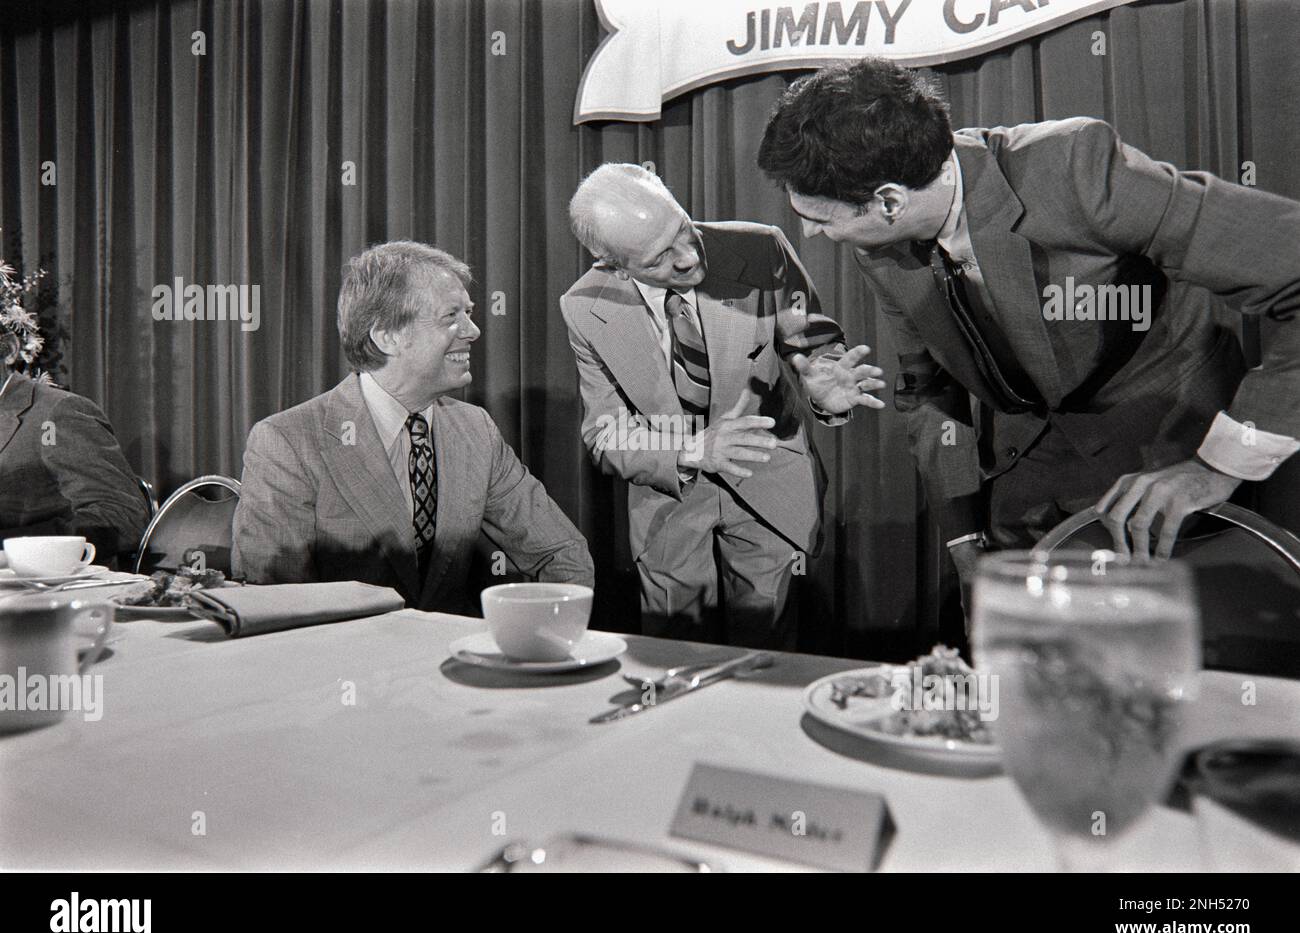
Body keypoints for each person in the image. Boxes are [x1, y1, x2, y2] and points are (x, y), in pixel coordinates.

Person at [756, 58, 1300, 597]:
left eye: (821, 219)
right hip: (1020, 497)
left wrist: (1220, 464)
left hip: (1164, 471)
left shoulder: (1073, 169)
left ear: (890, 200)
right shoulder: (876, 243)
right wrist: (963, 536)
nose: (808, 234)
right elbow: (928, 387)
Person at [561, 164, 883, 647]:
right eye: (660, 258)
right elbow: (604, 435)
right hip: (668, 496)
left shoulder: (761, 249)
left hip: (769, 483)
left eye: (683, 230)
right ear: (611, 262)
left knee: (765, 656)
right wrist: (691, 451)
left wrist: (820, 380)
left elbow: (814, 345)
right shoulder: (584, 306)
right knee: (674, 653)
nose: (689, 257)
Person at [232, 241, 594, 611]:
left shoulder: (475, 430)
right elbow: (273, 605)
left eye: (468, 313)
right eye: (450, 316)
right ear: (386, 336)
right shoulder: (287, 442)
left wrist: (547, 644)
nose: (473, 330)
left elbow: (561, 552)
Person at [0, 369, 149, 565]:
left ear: (10, 350)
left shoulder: (56, 413)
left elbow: (124, 518)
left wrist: (10, 545)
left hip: (45, 587)